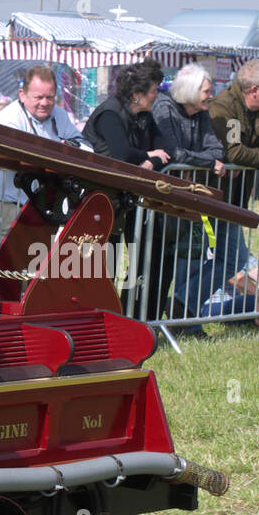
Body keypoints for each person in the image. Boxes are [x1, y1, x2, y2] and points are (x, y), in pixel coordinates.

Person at [82, 58, 173, 320]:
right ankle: (97, 320)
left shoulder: (143, 115)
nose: (157, 95)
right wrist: (147, 155)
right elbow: (121, 153)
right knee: (105, 265)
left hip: (129, 200)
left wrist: (151, 161)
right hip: (101, 200)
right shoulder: (109, 114)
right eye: (154, 90)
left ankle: (131, 316)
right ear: (137, 94)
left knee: (145, 258)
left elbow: (167, 149)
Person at [0, 65, 89, 256]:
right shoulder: (9, 119)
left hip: (42, 209)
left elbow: (86, 147)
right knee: (3, 271)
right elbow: (21, 156)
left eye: (50, 97)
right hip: (8, 209)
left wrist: (71, 147)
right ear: (22, 95)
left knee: (36, 272)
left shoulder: (59, 115)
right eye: (38, 97)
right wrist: (59, 153)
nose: (45, 103)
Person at [149, 64, 225, 322]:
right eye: (206, 91)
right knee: (160, 263)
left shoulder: (201, 112)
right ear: (191, 91)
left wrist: (202, 160)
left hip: (191, 199)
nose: (211, 95)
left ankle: (182, 318)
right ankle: (153, 318)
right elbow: (175, 153)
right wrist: (206, 162)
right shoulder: (164, 107)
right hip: (163, 198)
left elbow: (217, 150)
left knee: (189, 257)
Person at [208, 58, 259, 278]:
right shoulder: (225, 106)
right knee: (203, 257)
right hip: (211, 195)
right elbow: (234, 151)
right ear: (255, 90)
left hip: (236, 199)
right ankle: (187, 296)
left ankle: (191, 296)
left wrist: (249, 160)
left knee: (234, 260)